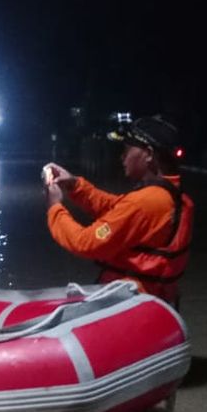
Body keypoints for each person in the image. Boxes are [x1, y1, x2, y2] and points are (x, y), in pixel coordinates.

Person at [43, 115, 194, 306]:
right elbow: (115, 207)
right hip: (156, 301)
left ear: (148, 154)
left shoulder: (145, 202)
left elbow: (85, 243)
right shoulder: (175, 196)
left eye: (126, 149)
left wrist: (54, 207)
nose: (121, 157)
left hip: (128, 305)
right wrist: (75, 186)